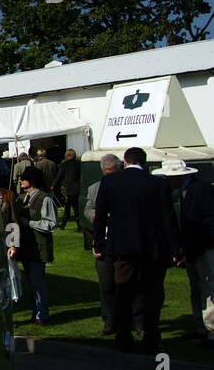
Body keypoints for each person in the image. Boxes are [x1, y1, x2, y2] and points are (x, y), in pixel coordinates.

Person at [93, 147, 181, 354]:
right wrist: (176, 247)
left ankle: (124, 337)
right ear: (145, 162)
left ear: (125, 162)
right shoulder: (158, 183)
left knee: (123, 292)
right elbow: (168, 218)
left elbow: (101, 216)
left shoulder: (110, 182)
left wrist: (98, 243)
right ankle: (151, 337)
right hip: (152, 248)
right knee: (152, 294)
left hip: (122, 247)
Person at [153, 158, 214, 343]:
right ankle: (201, 327)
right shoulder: (188, 191)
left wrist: (200, 247)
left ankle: (211, 331)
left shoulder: (201, 190)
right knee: (197, 289)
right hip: (195, 249)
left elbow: (208, 222)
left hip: (204, 248)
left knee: (208, 289)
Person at [84, 153, 130, 336]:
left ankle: (135, 321)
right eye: (106, 172)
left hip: (124, 241)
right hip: (104, 241)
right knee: (106, 285)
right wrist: (94, 215)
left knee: (129, 283)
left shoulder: (127, 187)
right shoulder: (95, 188)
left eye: (112, 171)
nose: (109, 175)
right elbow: (87, 209)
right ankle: (110, 321)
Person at [7, 165, 56, 324]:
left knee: (38, 282)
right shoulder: (21, 199)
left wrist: (29, 223)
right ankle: (36, 312)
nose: (20, 181)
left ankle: (42, 314)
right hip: (27, 248)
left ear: (32, 181)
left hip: (39, 247)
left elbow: (51, 224)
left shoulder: (44, 198)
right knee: (31, 283)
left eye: (24, 178)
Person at [53, 148, 82, 230]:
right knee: (75, 207)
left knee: (69, 207)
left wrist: (54, 185)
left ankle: (64, 225)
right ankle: (75, 225)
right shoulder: (78, 164)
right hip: (77, 188)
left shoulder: (64, 165)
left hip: (69, 189)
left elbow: (59, 176)